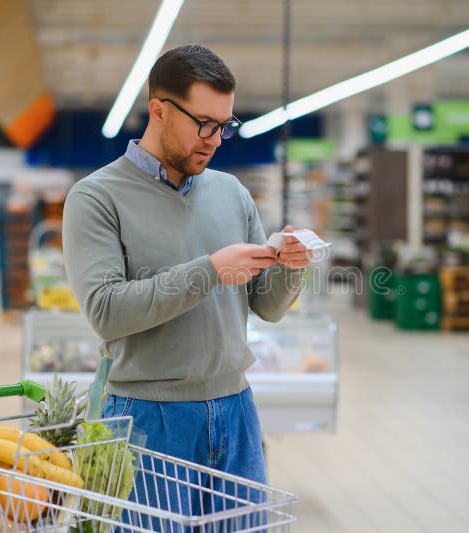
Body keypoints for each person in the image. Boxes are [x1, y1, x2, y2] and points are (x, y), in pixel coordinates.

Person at [62, 44, 312, 524]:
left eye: (224, 125)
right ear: (158, 110)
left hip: (236, 412)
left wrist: (290, 264)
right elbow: (107, 311)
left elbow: (267, 306)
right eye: (204, 123)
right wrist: (212, 269)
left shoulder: (230, 192)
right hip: (147, 420)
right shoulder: (96, 197)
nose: (215, 139)